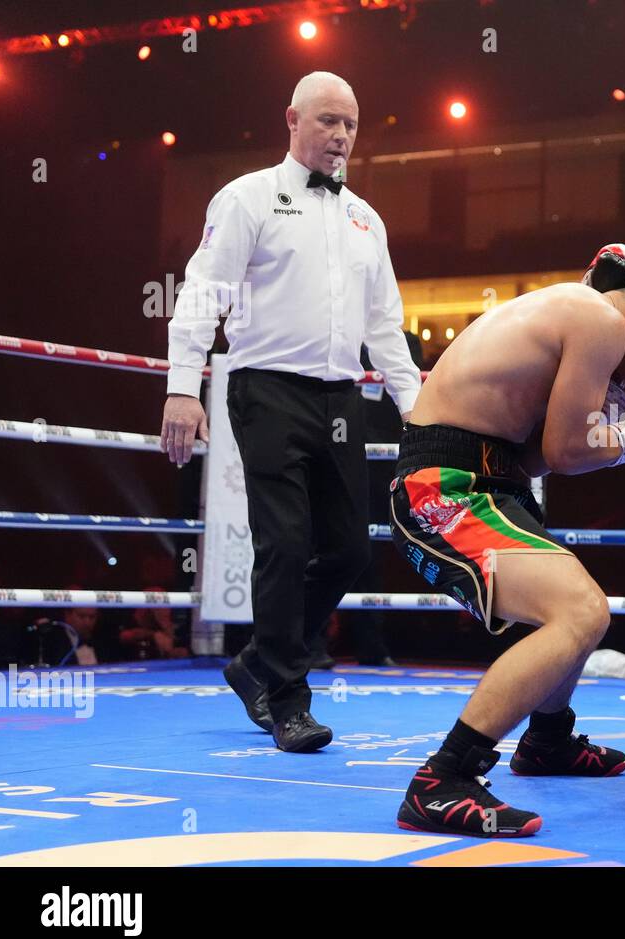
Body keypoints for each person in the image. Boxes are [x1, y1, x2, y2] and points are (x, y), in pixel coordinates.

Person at [389, 258, 625, 837]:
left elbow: (539, 455)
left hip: (494, 482)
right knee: (580, 610)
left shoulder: (589, 322)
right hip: (444, 487)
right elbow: (572, 453)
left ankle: (547, 739)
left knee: (576, 600)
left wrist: (622, 412)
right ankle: (443, 780)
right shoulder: (597, 320)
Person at [160, 72, 423, 752]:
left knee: (346, 550)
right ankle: (288, 699)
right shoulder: (247, 196)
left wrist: (421, 413)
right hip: (265, 389)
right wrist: (182, 386)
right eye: (328, 120)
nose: (340, 135)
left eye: (351, 125)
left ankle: (258, 663)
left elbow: (386, 329)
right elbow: (202, 292)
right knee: (283, 544)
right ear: (293, 120)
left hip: (341, 398)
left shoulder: (366, 217)